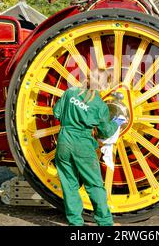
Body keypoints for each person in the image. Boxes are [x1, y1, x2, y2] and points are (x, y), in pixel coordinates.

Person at [53, 68, 126, 226]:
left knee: (69, 186)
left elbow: (57, 113)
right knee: (94, 185)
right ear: (103, 85)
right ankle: (105, 223)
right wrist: (116, 122)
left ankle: (75, 224)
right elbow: (105, 132)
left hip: (64, 142)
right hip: (83, 145)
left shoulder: (70, 92)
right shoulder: (99, 105)